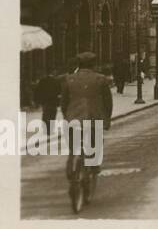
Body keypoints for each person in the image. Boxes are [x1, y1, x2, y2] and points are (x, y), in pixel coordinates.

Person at [60, 51, 113, 181]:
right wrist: (106, 120)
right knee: (96, 144)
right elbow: (108, 103)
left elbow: (64, 103)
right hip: (94, 119)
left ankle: (72, 167)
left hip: (73, 119)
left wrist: (67, 117)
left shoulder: (69, 79)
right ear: (93, 64)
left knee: (74, 148)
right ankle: (94, 167)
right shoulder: (101, 79)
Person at [38, 67, 64, 136]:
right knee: (52, 115)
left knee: (45, 113)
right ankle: (50, 130)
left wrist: (39, 100)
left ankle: (45, 129)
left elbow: (38, 90)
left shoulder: (42, 80)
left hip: (45, 101)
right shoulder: (56, 81)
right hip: (53, 101)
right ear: (53, 72)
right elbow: (59, 91)